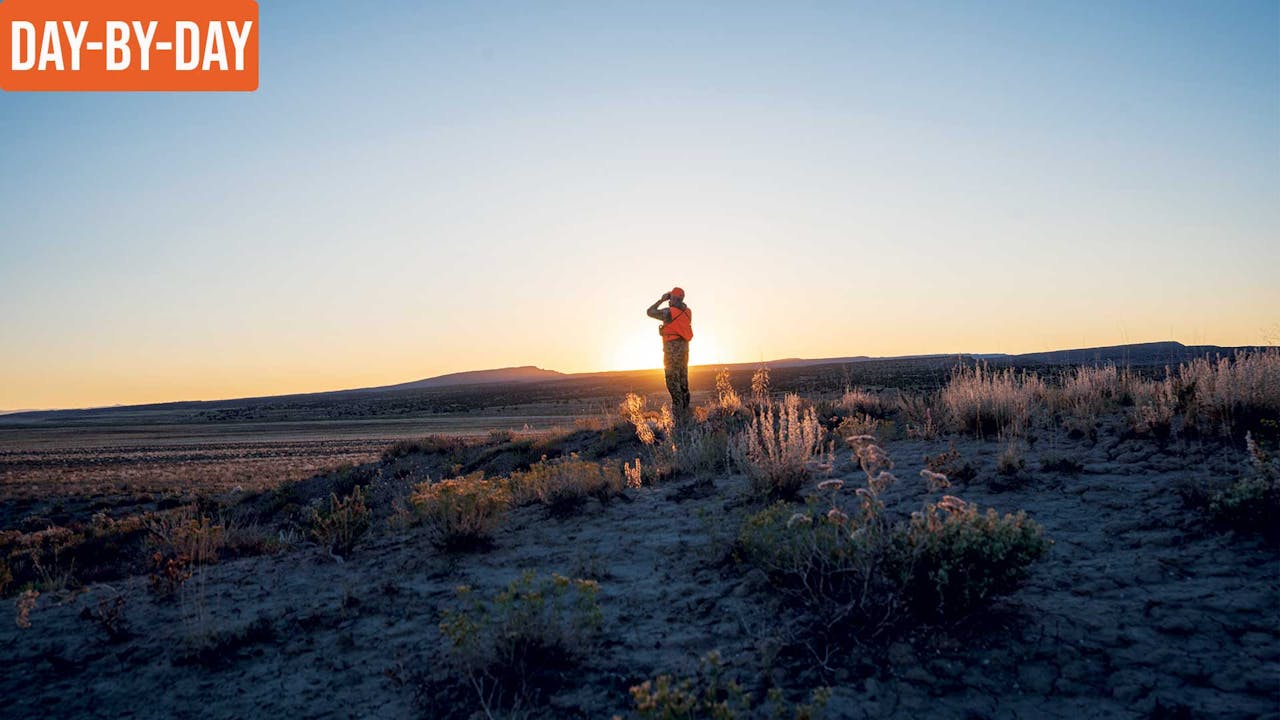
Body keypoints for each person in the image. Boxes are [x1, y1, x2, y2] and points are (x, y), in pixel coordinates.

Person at [647, 287, 693, 412]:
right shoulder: (688, 312)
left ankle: (678, 414)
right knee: (683, 381)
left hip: (672, 351)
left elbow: (650, 311)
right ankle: (686, 410)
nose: (669, 300)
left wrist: (661, 300)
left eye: (671, 297)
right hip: (684, 350)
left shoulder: (669, 312)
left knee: (672, 381)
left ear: (673, 298)